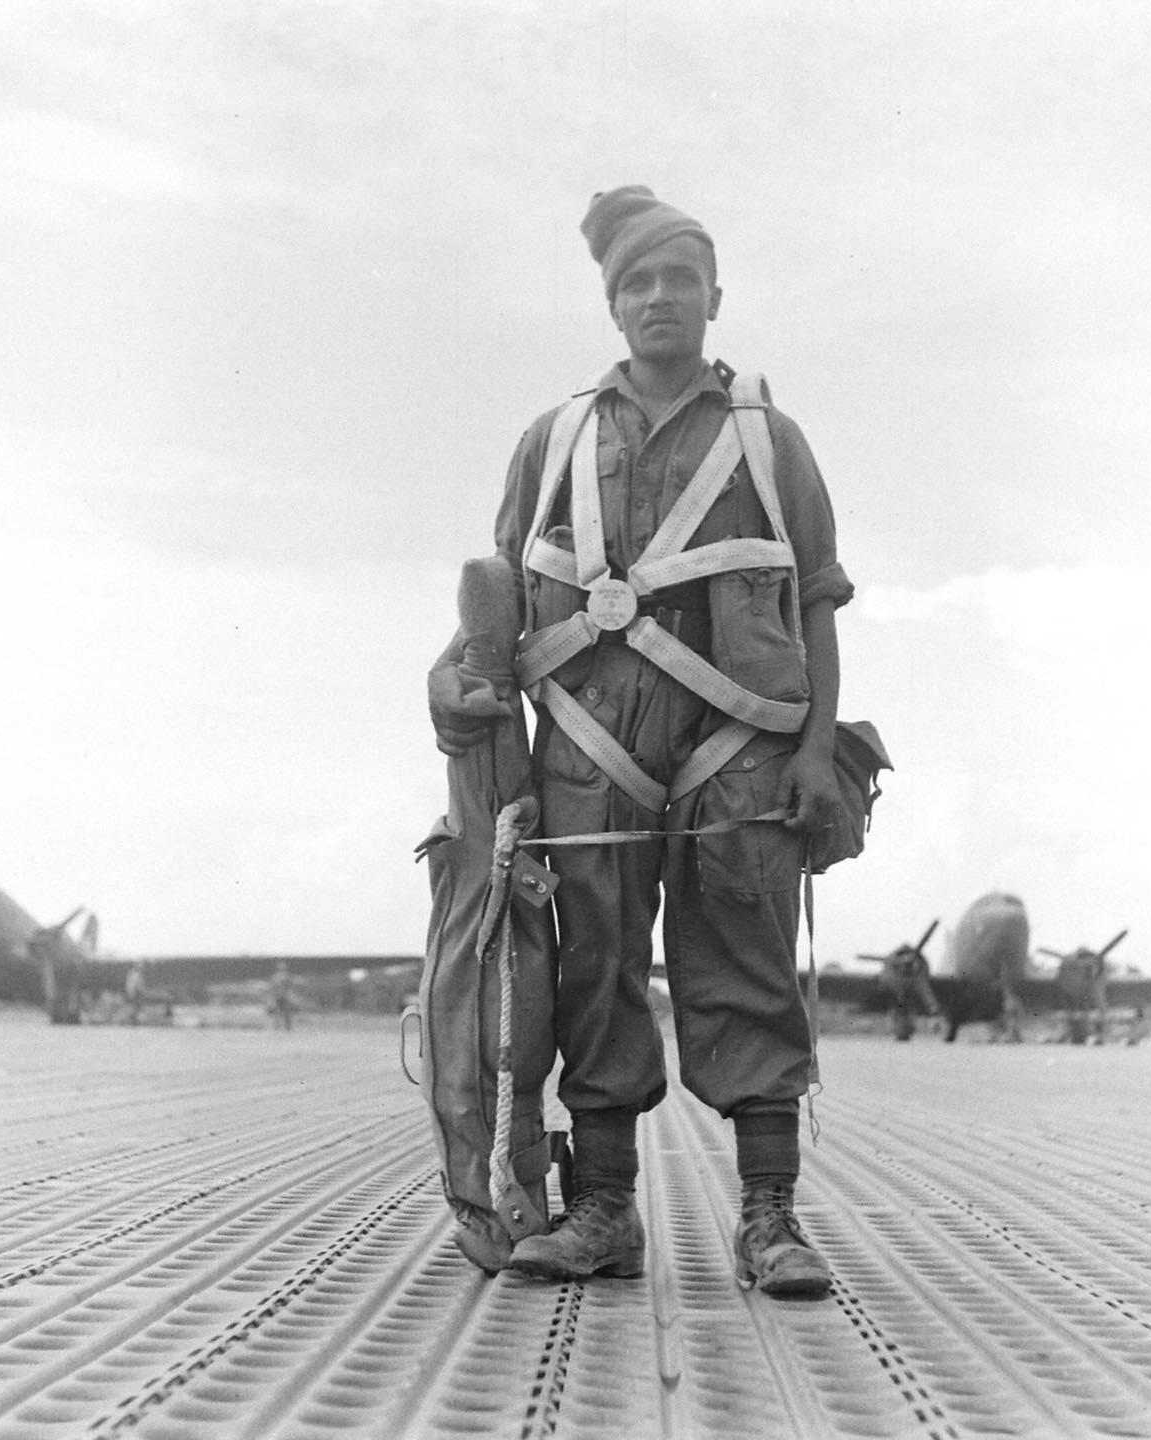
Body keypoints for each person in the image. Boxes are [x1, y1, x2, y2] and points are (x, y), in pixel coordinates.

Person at [428, 186, 854, 1298]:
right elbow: (500, 599)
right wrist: (460, 692)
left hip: (741, 751)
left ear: (716, 297)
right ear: (613, 306)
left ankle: (769, 1220)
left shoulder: (769, 441)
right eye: (637, 284)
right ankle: (604, 1212)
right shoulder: (552, 439)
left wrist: (815, 753)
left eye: (680, 279)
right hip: (584, 751)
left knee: (747, 969)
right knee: (595, 972)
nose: (659, 298)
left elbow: (815, 596)